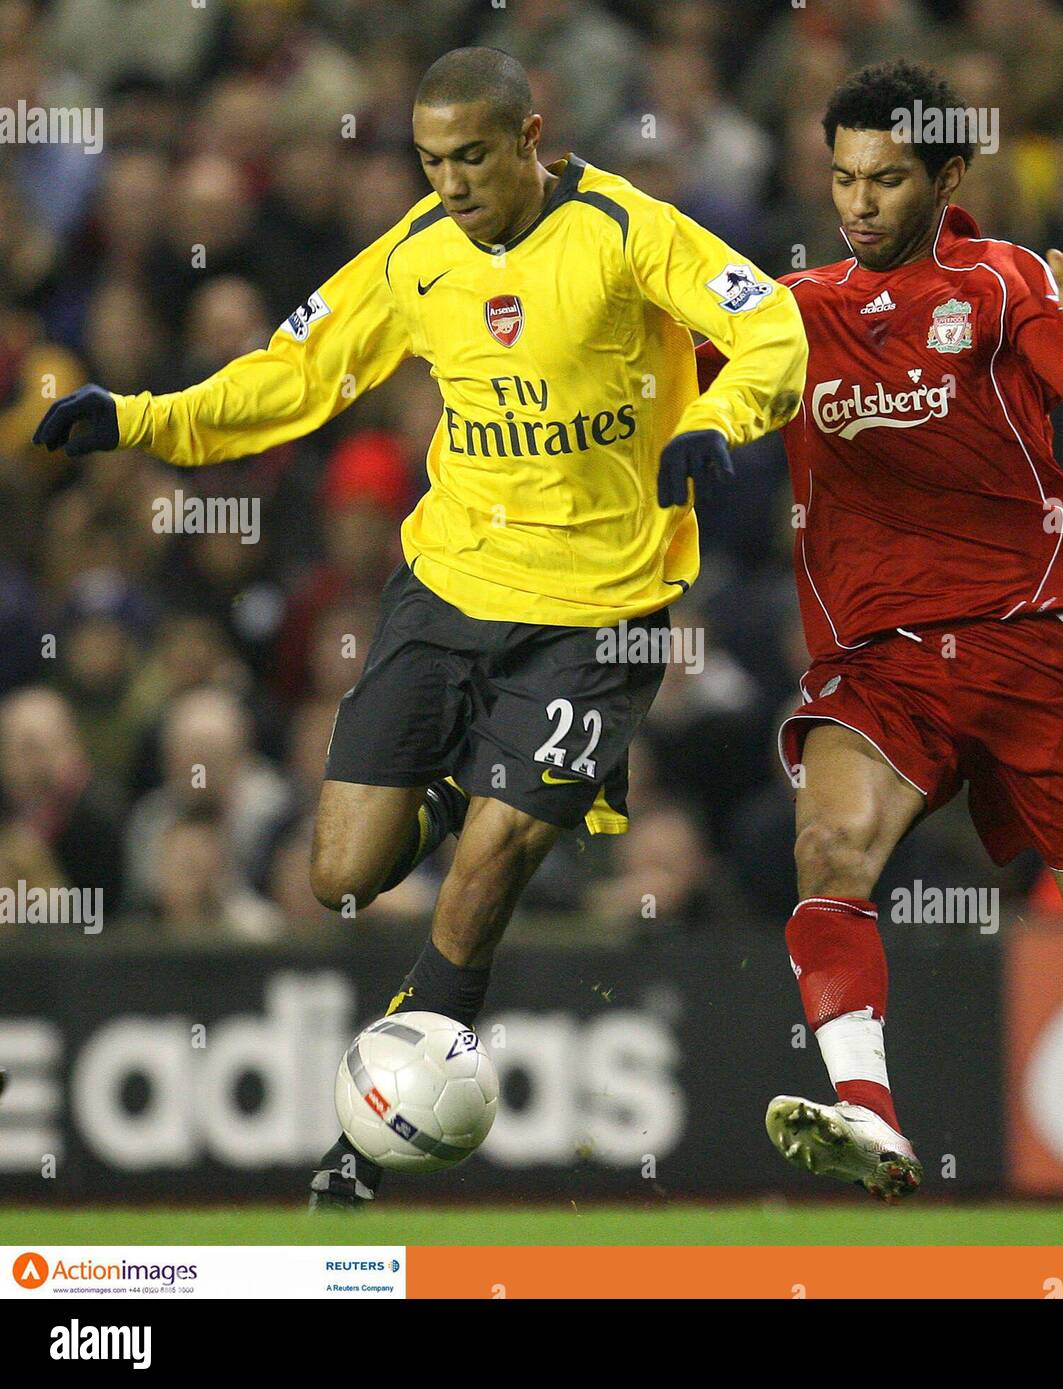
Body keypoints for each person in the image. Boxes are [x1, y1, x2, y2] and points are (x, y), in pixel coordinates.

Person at [34, 46, 808, 1208]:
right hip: (446, 589)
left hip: (598, 613)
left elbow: (774, 325)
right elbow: (291, 378)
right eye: (432, 160)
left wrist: (717, 420)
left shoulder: (623, 230)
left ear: (531, 139)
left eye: (472, 157)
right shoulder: (414, 254)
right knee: (341, 874)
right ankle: (454, 790)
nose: (450, 181)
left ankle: (370, 1141)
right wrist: (144, 417)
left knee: (494, 859)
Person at [697, 60, 1063, 1201]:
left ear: (947, 176)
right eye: (843, 177)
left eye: (887, 179)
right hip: (881, 660)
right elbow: (655, 375)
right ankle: (869, 1111)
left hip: (1037, 638)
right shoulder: (792, 314)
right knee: (828, 849)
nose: (858, 203)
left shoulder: (1004, 283)